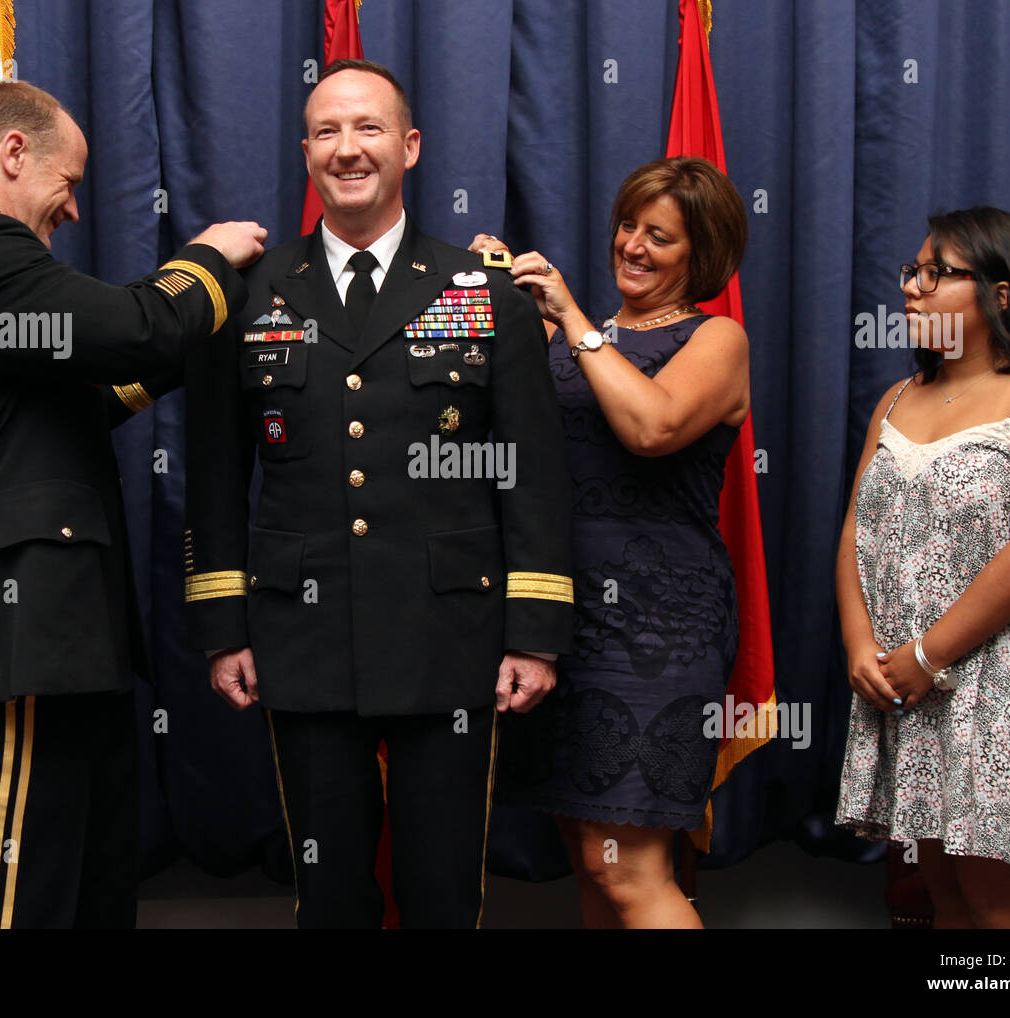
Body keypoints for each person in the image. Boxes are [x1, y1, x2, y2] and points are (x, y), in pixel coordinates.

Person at [182, 59, 574, 928]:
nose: (347, 150)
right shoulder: (249, 294)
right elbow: (214, 475)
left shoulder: (483, 293)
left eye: (367, 129)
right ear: (306, 153)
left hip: (451, 635)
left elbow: (532, 474)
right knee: (329, 897)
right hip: (303, 637)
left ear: (411, 146)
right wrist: (222, 627)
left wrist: (536, 632)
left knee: (442, 894)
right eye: (326, 132)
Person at [0, 80, 266, 928]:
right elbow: (130, 327)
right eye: (70, 180)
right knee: (18, 904)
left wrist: (181, 338)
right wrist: (206, 259)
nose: (76, 210)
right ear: (13, 153)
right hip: (18, 634)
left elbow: (88, 393)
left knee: (85, 890)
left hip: (58, 638)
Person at [472, 156, 750, 929]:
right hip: (560, 621)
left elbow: (652, 425)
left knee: (625, 866)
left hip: (658, 629)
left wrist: (572, 318)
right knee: (586, 854)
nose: (632, 245)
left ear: (703, 253)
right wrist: (491, 307)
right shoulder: (572, 340)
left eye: (658, 236)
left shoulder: (716, 338)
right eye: (628, 225)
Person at [834, 206, 1010, 927]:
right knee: (945, 895)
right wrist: (864, 647)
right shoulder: (898, 399)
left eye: (939, 273)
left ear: (1003, 291)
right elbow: (857, 530)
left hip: (1001, 685)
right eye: (912, 272)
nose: (914, 289)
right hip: (907, 686)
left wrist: (928, 653)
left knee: (1001, 903)